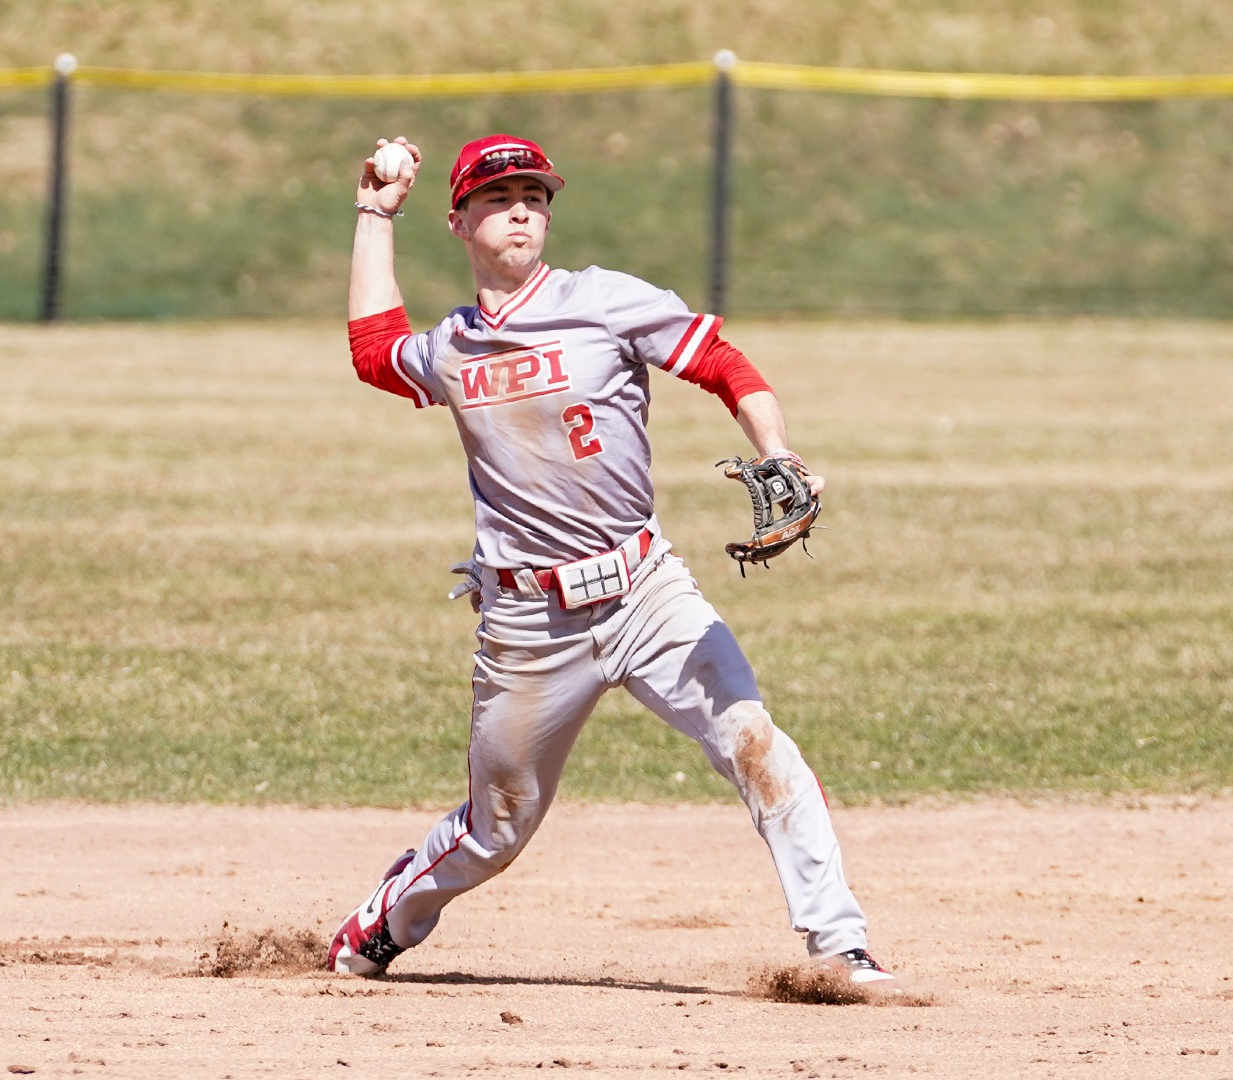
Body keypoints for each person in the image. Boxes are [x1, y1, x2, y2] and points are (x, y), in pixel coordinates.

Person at [326, 133, 890, 988]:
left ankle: (840, 946)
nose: (521, 210)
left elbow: (721, 363)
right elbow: (375, 354)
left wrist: (777, 448)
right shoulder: (454, 347)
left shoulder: (606, 301)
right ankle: (384, 923)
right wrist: (374, 212)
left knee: (755, 742)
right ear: (460, 222)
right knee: (497, 831)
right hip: (528, 621)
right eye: (497, 198)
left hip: (645, 591)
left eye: (535, 196)